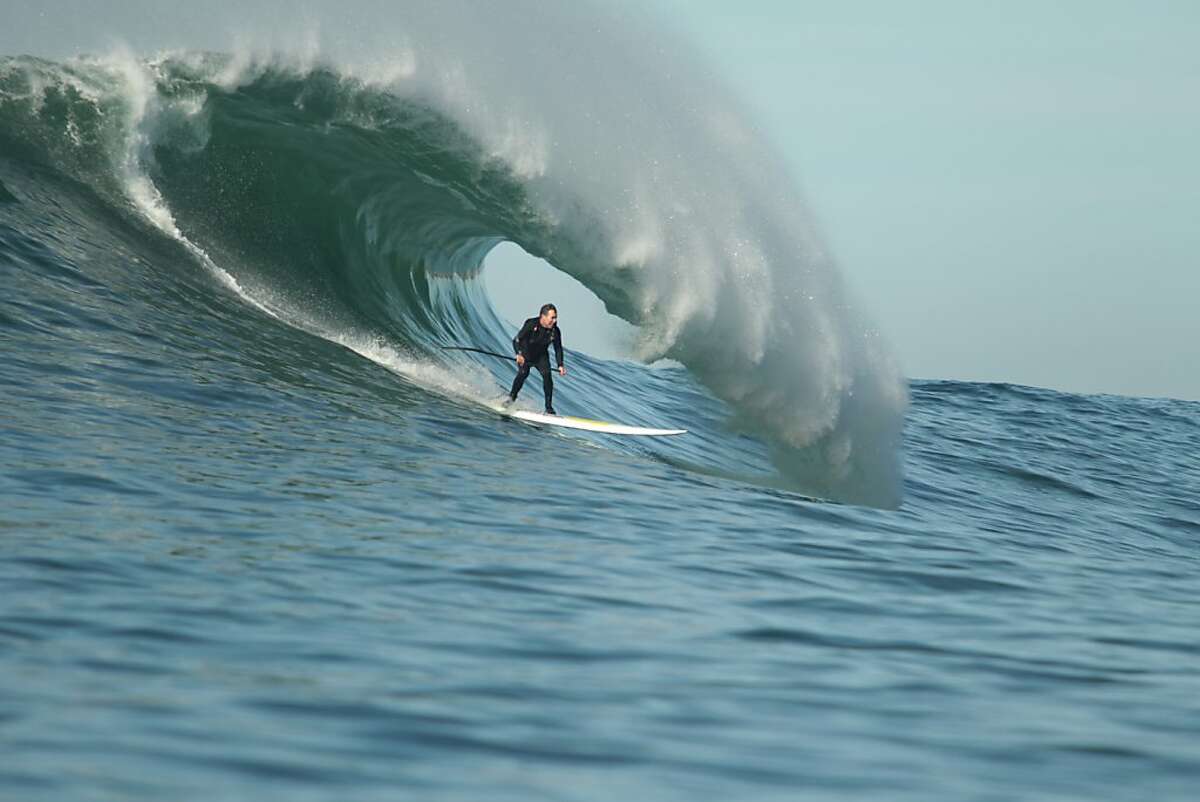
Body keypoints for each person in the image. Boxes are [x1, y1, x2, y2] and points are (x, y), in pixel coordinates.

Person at [507, 303, 566, 414]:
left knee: (547, 376)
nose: (554, 321)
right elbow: (517, 340)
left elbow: (558, 348)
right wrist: (519, 354)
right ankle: (511, 398)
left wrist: (560, 364)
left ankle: (548, 407)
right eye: (552, 318)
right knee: (523, 373)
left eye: (555, 318)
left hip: (541, 356)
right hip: (525, 353)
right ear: (543, 316)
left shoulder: (555, 331)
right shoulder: (531, 324)